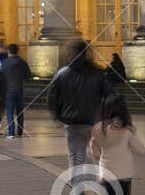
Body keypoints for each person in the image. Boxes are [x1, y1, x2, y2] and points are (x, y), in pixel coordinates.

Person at [46, 39, 111, 172]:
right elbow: (110, 96)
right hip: (93, 121)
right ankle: (102, 184)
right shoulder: (98, 74)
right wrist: (105, 117)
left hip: (71, 122)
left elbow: (52, 98)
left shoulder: (62, 73)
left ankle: (78, 191)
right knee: (98, 156)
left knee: (75, 157)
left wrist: (58, 116)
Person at [0, 43, 31, 139]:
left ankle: (11, 132)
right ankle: (20, 131)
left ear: (8, 51)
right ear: (17, 51)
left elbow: (1, 75)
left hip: (8, 89)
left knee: (9, 111)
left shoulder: (5, 62)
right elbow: (28, 76)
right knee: (20, 111)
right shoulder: (23, 62)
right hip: (19, 89)